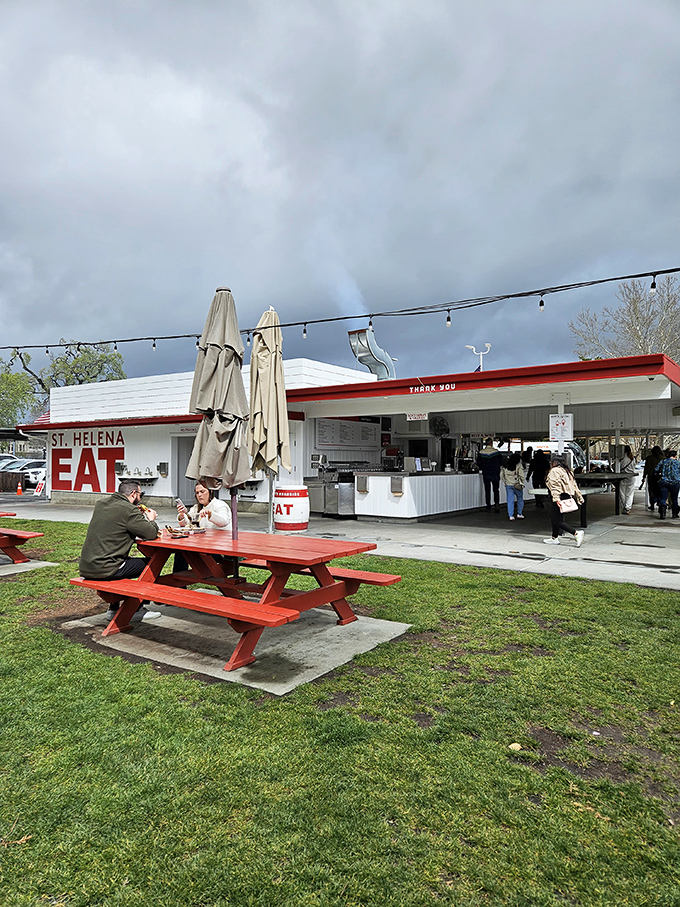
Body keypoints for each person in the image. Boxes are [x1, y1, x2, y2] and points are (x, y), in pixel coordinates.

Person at [79, 479, 162, 621]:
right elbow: (150, 533)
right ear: (133, 494)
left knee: (125, 561)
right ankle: (135, 609)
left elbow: (117, 523)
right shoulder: (128, 510)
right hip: (106, 568)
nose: (140, 499)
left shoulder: (101, 504)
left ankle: (113, 608)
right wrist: (151, 519)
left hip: (87, 566)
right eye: (140, 495)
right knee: (152, 564)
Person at [174, 479, 232, 572]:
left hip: (219, 547)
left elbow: (224, 521)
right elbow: (188, 524)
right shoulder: (196, 507)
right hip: (203, 545)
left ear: (210, 491)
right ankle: (178, 582)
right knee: (181, 552)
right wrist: (182, 515)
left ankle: (179, 581)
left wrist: (210, 514)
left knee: (185, 553)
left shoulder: (220, 505)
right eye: (197, 493)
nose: (199, 495)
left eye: (202, 492)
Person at [544, 455, 585, 547]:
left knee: (557, 520)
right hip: (565, 496)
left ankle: (576, 533)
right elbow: (574, 485)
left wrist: (556, 498)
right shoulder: (567, 471)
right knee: (556, 518)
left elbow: (555, 486)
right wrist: (579, 497)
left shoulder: (555, 471)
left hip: (558, 496)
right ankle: (554, 538)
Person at [477, 438, 503, 513]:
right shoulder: (496, 452)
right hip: (495, 473)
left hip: (486, 473)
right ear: (491, 443)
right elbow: (502, 462)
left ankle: (488, 506)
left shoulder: (481, 452)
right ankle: (497, 505)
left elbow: (479, 463)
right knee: (496, 490)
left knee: (487, 490)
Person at [654, 450, 680, 520]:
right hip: (675, 483)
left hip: (664, 482)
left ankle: (662, 513)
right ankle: (675, 513)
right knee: (674, 499)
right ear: (675, 456)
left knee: (663, 498)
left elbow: (656, 470)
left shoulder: (663, 461)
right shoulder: (678, 463)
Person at [501, 452, 526, 521]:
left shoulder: (505, 465)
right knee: (520, 498)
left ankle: (511, 515)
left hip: (508, 485)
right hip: (516, 484)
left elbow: (501, 475)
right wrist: (522, 482)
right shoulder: (518, 465)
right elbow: (521, 475)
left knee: (510, 500)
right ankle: (519, 513)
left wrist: (505, 481)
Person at [641, 445, 664, 512]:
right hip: (660, 477)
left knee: (651, 490)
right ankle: (660, 503)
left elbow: (646, 468)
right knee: (660, 490)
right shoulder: (663, 458)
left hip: (651, 476)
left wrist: (644, 476)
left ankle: (652, 505)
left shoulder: (649, 458)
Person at [619, 444, 637, 514]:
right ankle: (628, 507)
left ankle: (624, 506)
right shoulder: (632, 458)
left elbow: (616, 467)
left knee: (622, 493)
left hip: (622, 477)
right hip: (631, 477)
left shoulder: (621, 458)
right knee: (629, 494)